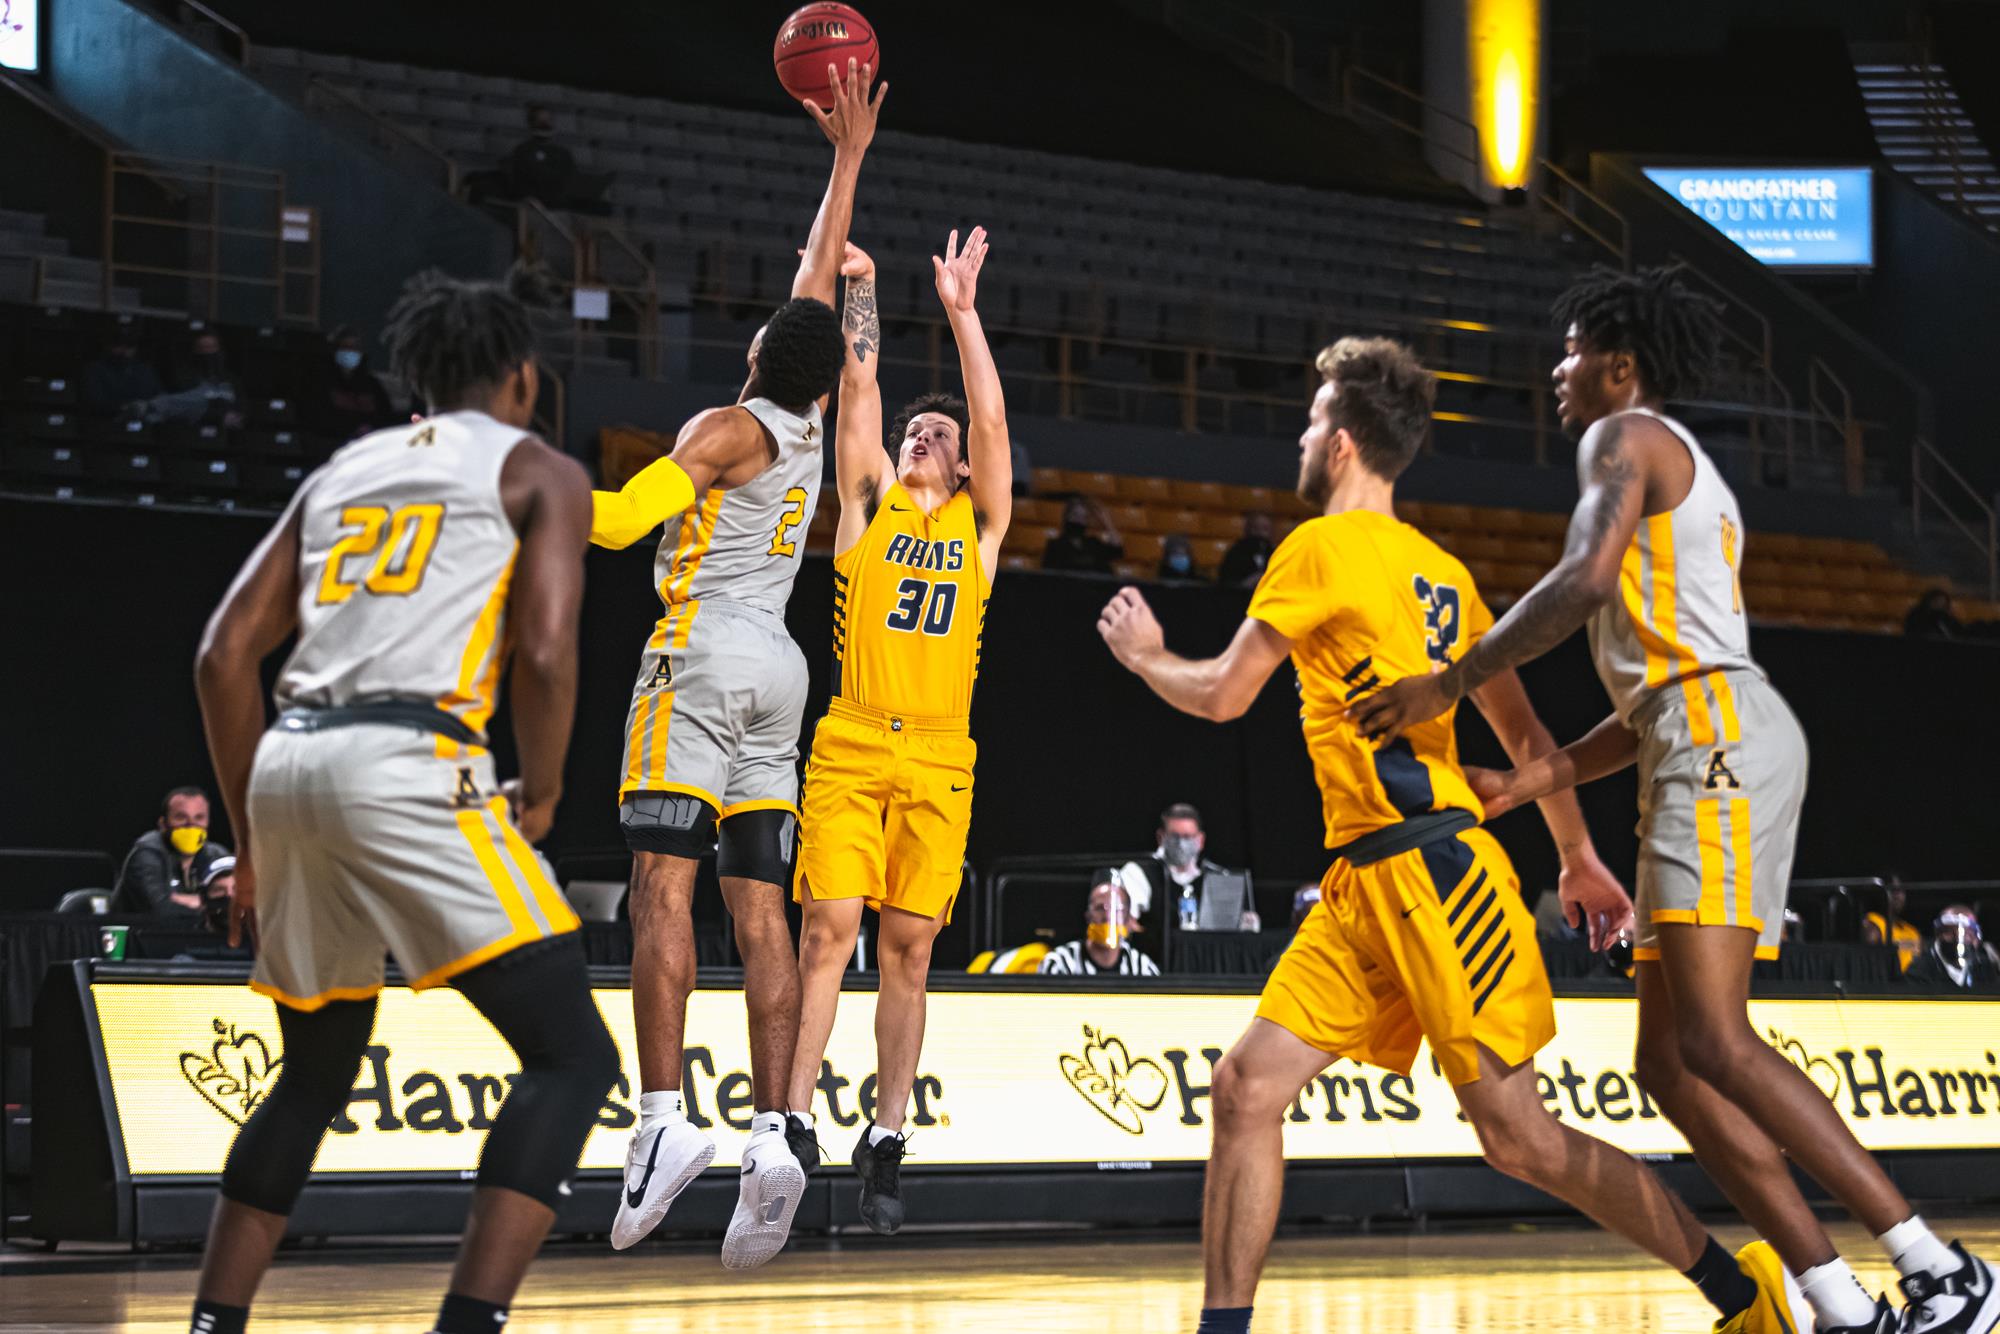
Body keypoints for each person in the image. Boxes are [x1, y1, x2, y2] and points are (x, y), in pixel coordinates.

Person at [1098, 333, 1809, 1334]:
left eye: (1310, 421)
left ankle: (1745, 1296)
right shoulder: (1442, 570)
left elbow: (1220, 694)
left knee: (1516, 1137)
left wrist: (1143, 655)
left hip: (1433, 873)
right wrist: (1572, 854)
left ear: (1340, 443)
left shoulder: (1315, 549)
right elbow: (1522, 733)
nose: (1301, 436)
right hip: (1364, 884)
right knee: (1245, 1083)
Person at [1350, 266, 1995, 1334]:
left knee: (1715, 1036)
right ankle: (1838, 1302)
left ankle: (1938, 1268)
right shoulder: (1656, 460)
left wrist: (1449, 678)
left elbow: (1583, 580)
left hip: (1717, 742)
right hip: (1686, 736)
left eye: (1568, 351)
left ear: (1619, 364)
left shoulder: (1624, 438)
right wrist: (1529, 777)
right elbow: (1650, 703)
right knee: (1666, 1059)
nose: (1553, 370)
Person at [184, 264, 613, 1334]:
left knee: (315, 1068)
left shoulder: (343, 467)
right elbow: (550, 655)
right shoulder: (541, 468)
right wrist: (545, 794)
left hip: (288, 757)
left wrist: (252, 837)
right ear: (522, 376)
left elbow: (222, 656)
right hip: (412, 755)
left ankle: (211, 1324)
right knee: (572, 1053)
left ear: (417, 377)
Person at [585, 59, 882, 1268]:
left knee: (660, 887)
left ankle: (660, 1126)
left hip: (699, 653)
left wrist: (519, 478)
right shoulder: (809, 424)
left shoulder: (725, 428)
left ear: (763, 352)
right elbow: (819, 277)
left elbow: (612, 524)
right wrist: (846, 159)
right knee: (759, 902)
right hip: (781, 670)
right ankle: (772, 1131)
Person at [786, 222, 1013, 1238]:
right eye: (914, 434)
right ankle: (790, 1119)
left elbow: (994, 422)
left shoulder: (980, 527)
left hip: (939, 750)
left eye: (939, 436)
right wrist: (863, 293)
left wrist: (964, 316)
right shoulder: (867, 506)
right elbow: (862, 391)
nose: (923, 438)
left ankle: (884, 1137)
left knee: (910, 948)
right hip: (853, 736)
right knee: (827, 930)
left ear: (963, 470)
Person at [1117, 802, 1247, 930]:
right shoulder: (1139, 872)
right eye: (1175, 836)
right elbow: (1124, 920)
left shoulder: (1217, 876)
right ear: (1160, 837)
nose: (1181, 843)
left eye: (1187, 837)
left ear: (1200, 840)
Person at [113, 786, 232, 919]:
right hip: (144, 936)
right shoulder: (146, 855)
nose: (191, 825)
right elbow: (159, 910)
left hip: (198, 936)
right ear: (163, 824)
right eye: (181, 817)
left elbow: (238, 902)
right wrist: (210, 908)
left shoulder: (217, 855)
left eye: (199, 818)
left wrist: (198, 902)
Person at [1038, 873, 1160, 977]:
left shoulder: (1143, 968)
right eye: (1100, 908)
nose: (1108, 917)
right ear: (1087, 916)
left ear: (1128, 921)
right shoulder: (1058, 963)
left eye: (1116, 909)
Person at [309, 326, 397, 438]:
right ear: (335, 350)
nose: (350, 351)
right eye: (345, 347)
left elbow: (386, 415)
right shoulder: (322, 382)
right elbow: (318, 417)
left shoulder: (372, 384)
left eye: (354, 348)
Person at [1907, 907, 2000, 990]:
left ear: (1976, 939)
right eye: (1949, 932)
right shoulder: (1920, 969)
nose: (1958, 938)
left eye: (1967, 933)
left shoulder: (1984, 966)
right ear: (1938, 935)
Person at [80, 331, 164, 416]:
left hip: (146, 420)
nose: (124, 351)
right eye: (118, 345)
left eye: (129, 346)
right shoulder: (94, 369)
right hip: (106, 421)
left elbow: (159, 396)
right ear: (108, 346)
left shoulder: (145, 370)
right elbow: (94, 403)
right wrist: (126, 407)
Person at [1041, 495, 1123, 573]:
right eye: (1075, 515)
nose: (1079, 520)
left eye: (1083, 517)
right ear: (1067, 517)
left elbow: (1116, 549)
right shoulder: (1056, 545)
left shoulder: (1093, 543)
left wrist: (1107, 522)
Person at [1863, 882, 1923, 974]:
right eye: (1893, 891)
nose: (1898, 896)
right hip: (1887, 982)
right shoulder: (1872, 921)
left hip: (1914, 982)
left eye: (1901, 891)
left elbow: (1920, 957)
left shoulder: (1912, 930)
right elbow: (1871, 958)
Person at [1217, 512, 1276, 587]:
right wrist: (1248, 582)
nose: (1260, 533)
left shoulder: (1275, 553)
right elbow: (1227, 583)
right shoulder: (1236, 553)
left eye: (1265, 529)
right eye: (1255, 528)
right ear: (1247, 530)